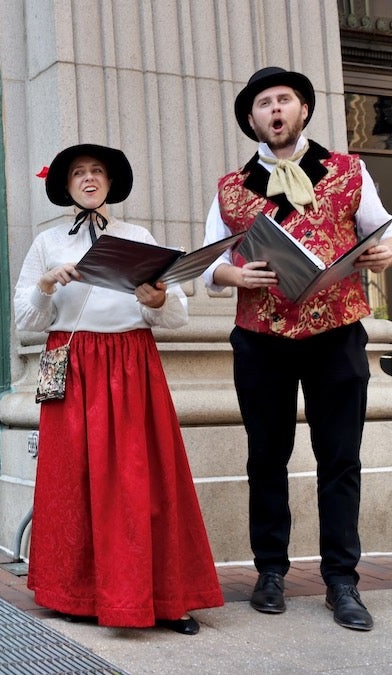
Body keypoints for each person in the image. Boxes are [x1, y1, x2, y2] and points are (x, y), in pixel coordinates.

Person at [201, 67, 392, 631]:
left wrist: (383, 254)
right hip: (261, 341)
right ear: (253, 119)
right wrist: (230, 277)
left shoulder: (347, 171)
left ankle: (341, 581)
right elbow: (208, 259)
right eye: (264, 104)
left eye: (284, 100)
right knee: (266, 458)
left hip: (336, 335)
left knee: (340, 459)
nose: (275, 110)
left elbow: (380, 231)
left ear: (303, 110)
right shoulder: (231, 187)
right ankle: (271, 572)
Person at [15, 144, 223, 635]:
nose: (89, 179)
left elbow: (173, 316)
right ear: (65, 186)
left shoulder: (138, 236)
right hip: (70, 363)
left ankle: (165, 598)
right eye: (79, 173)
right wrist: (45, 285)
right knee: (74, 481)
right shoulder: (47, 243)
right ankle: (77, 595)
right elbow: (25, 320)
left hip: (130, 364)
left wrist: (155, 298)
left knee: (141, 481)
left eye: (98, 172)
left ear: (110, 183)